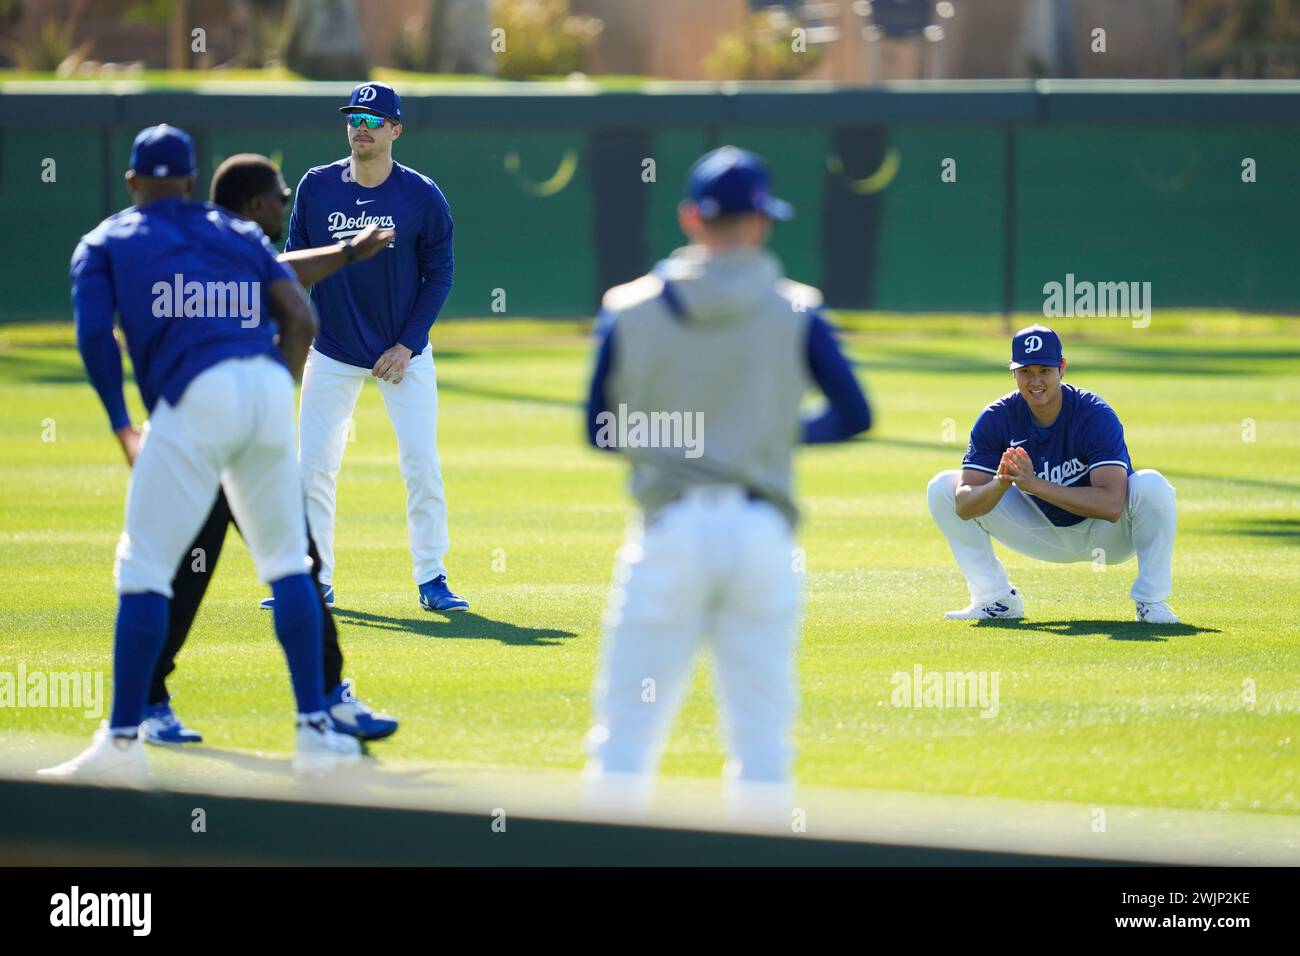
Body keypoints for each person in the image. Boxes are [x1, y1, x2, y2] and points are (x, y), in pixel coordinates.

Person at [44, 125, 359, 783]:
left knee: (143, 569)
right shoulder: (238, 233)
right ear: (189, 182)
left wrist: (120, 423)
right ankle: (316, 735)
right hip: (268, 388)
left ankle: (123, 745)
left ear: (133, 182)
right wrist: (277, 386)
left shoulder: (105, 241)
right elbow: (300, 319)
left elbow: (95, 338)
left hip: (195, 393)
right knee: (287, 564)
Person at [582, 146, 872, 806]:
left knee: (624, 740)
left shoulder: (626, 307)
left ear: (690, 217)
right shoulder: (798, 308)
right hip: (762, 536)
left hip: (669, 533)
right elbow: (854, 414)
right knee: (762, 746)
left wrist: (677, 440)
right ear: (763, 221)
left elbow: (597, 429)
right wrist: (761, 435)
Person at [141, 153, 399, 746]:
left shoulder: (228, 244)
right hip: (215, 440)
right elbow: (289, 297)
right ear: (256, 205)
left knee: (279, 567)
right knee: (193, 574)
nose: (287, 203)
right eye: (279, 195)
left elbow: (283, 270)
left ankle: (326, 697)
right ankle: (153, 700)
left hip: (232, 441)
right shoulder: (213, 244)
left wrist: (347, 254)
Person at [278, 81, 466, 613]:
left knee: (420, 464)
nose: (361, 126)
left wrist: (408, 344)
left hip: (402, 353)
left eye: (374, 119)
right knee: (313, 464)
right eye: (354, 117)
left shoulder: (421, 195)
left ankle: (432, 578)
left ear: (396, 130)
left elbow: (440, 273)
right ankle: (313, 579)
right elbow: (294, 264)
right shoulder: (317, 187)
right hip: (333, 348)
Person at [926, 324, 1179, 624]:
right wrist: (1001, 482)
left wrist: (1034, 484)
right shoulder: (997, 417)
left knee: (1152, 485)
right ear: (1013, 373)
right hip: (1040, 531)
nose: (1035, 381)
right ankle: (995, 600)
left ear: (1062, 368)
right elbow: (964, 507)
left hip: (1108, 535)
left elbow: (1111, 506)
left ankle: (1151, 602)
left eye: (1044, 370)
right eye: (1025, 371)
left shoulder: (1093, 413)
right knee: (943, 487)